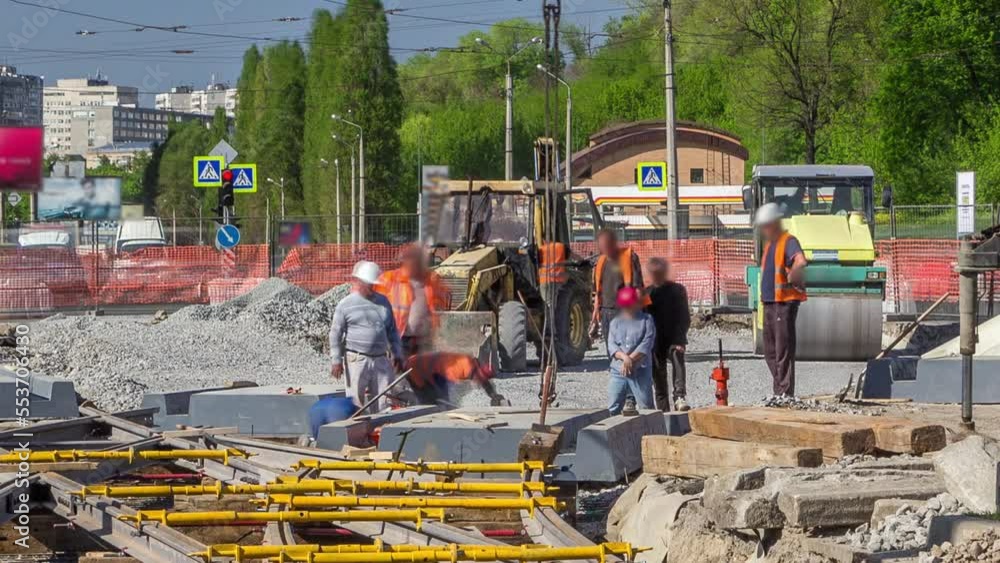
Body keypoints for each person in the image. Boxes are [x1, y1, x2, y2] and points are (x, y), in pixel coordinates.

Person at [329, 260, 404, 411]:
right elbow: (335, 333)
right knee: (356, 403)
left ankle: (382, 430)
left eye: (374, 284)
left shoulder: (383, 302)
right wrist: (336, 360)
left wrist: (398, 353)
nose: (373, 287)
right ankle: (359, 432)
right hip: (357, 360)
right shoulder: (345, 304)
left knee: (385, 401)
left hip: (381, 360)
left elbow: (392, 330)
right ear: (360, 281)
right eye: (370, 284)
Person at [755, 202, 807, 397]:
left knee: (782, 351)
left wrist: (794, 272)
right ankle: (780, 390)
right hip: (770, 303)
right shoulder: (770, 245)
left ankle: (784, 393)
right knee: (770, 351)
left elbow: (800, 260)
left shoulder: (788, 240)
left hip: (784, 304)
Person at [377, 245, 450, 356]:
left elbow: (443, 300)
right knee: (401, 370)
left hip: (425, 340)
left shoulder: (432, 279)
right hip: (400, 338)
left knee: (423, 371)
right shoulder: (390, 278)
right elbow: (373, 305)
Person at [645, 258, 691, 412]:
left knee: (677, 356)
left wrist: (680, 339)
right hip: (655, 341)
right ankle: (663, 410)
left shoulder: (677, 290)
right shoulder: (648, 293)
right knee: (658, 375)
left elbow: (684, 316)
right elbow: (643, 319)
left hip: (673, 337)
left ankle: (679, 396)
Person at [590, 229, 646, 349]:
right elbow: (597, 293)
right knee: (612, 350)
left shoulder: (629, 257)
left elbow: (638, 288)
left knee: (627, 350)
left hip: (625, 311)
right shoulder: (601, 261)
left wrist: (642, 315)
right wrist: (595, 318)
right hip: (606, 312)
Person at [607, 286, 656, 416]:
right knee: (613, 406)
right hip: (619, 370)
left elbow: (647, 343)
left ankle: (651, 433)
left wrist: (631, 359)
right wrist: (625, 358)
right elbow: (612, 345)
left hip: (640, 369)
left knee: (646, 406)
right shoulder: (615, 322)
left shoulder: (647, 320)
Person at [404, 351, 509, 407]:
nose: (477, 383)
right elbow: (437, 383)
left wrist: (494, 395)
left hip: (424, 365)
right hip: (415, 368)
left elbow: (483, 380)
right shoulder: (456, 371)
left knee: (438, 400)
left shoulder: (469, 363)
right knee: (429, 403)